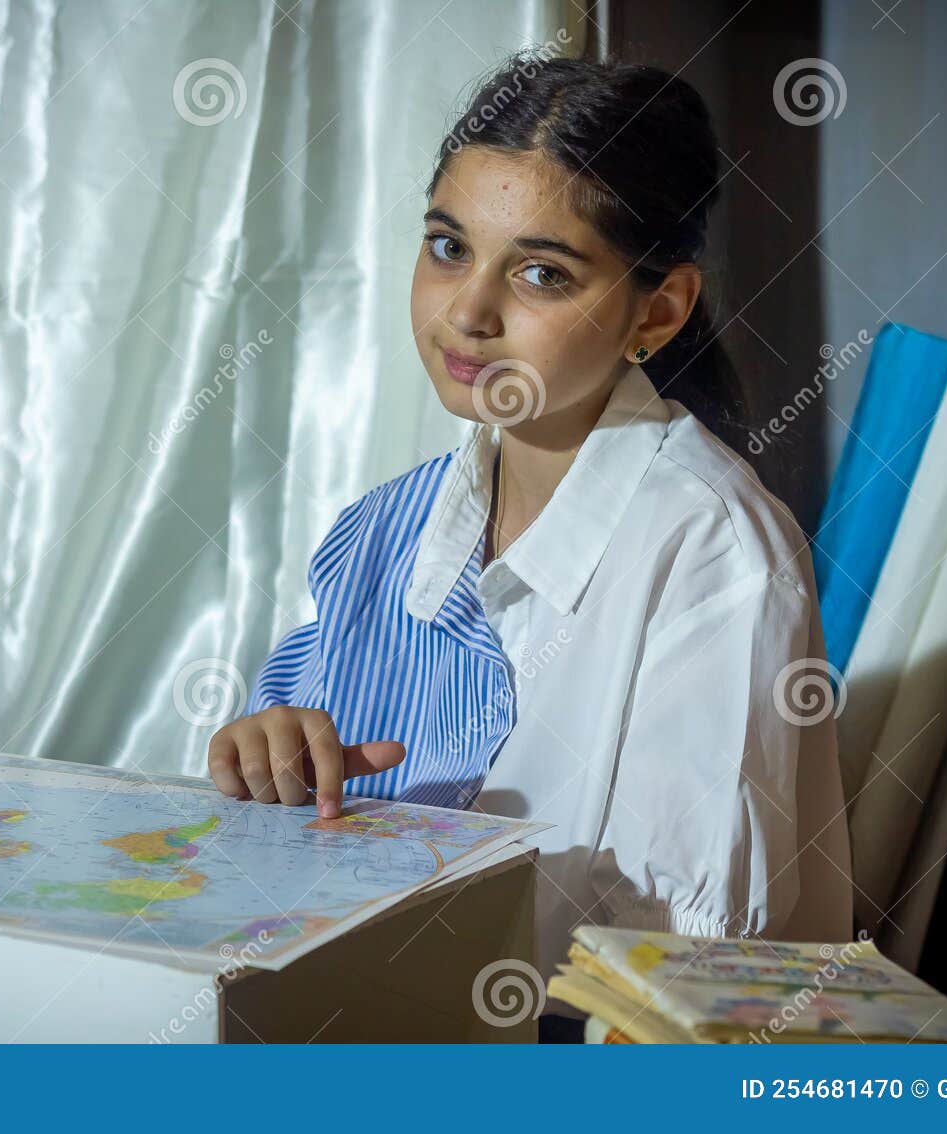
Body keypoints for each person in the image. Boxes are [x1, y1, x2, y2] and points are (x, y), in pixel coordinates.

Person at [205, 53, 853, 1025]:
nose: (468, 312)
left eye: (541, 273)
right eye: (447, 246)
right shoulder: (380, 529)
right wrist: (267, 762)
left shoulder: (716, 555)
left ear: (658, 310)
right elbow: (285, 830)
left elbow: (681, 968)